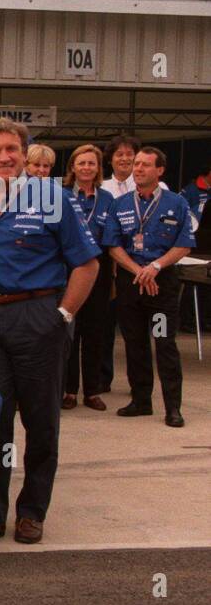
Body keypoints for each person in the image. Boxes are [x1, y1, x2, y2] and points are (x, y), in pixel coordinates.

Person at [0, 118, 100, 546]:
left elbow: (87, 264)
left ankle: (32, 511)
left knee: (41, 421)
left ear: (25, 154)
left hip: (38, 318)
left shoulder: (54, 198)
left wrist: (63, 316)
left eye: (12, 149)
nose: (4, 158)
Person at [103, 146, 197, 427]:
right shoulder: (119, 204)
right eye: (136, 164)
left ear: (160, 171)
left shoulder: (176, 203)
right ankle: (141, 401)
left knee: (165, 343)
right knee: (135, 343)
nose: (138, 169)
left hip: (161, 283)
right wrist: (137, 270)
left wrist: (155, 267)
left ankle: (173, 407)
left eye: (145, 165)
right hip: (132, 283)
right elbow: (112, 244)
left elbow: (184, 244)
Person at [60, 144, 115, 412]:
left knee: (95, 332)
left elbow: (114, 239)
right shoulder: (61, 196)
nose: (86, 168)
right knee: (70, 330)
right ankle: (69, 390)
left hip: (99, 269)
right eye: (81, 163)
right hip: (69, 268)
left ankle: (92, 391)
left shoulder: (107, 200)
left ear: (98, 168)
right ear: (72, 167)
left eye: (91, 163)